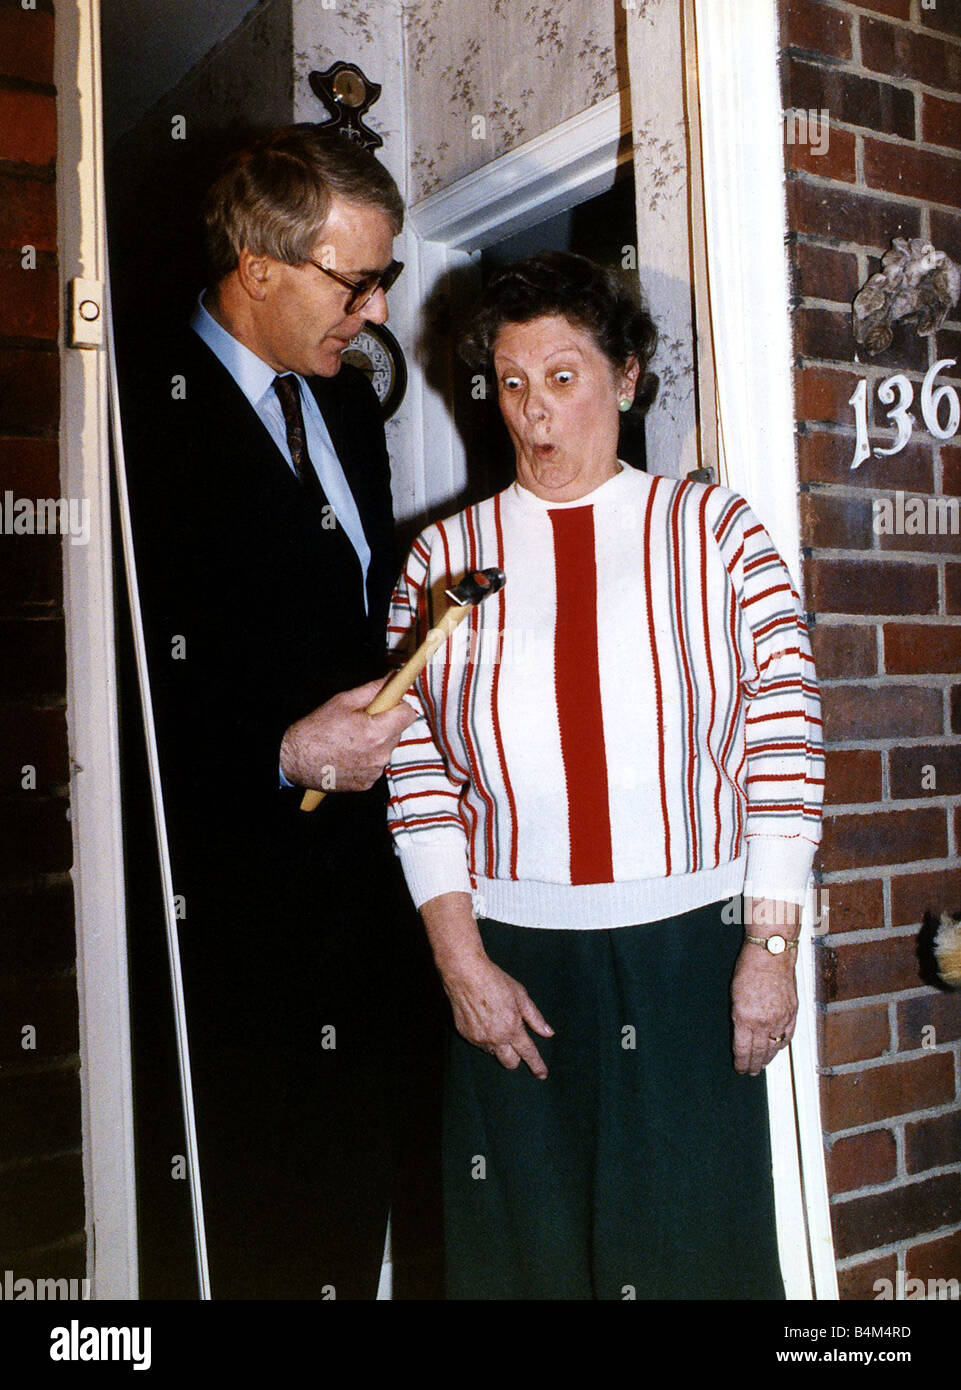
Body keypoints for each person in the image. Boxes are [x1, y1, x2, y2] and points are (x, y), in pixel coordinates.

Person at [386, 251, 824, 1300]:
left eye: (565, 377)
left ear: (627, 378)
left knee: (687, 1258)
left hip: (685, 959)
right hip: (513, 967)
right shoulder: (441, 560)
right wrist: (458, 963)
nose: (536, 414)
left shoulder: (717, 532)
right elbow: (417, 774)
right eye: (511, 383)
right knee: (521, 1262)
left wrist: (768, 943)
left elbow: (786, 737)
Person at [120, 126, 440, 1299]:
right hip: (225, 913)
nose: (372, 313)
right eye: (355, 282)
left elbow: (353, 615)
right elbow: (121, 679)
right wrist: (277, 749)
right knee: (253, 1225)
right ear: (258, 265)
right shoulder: (130, 405)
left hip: (364, 897)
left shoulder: (348, 409)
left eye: (383, 281)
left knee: (359, 1205)